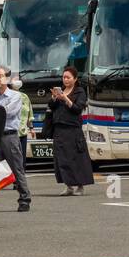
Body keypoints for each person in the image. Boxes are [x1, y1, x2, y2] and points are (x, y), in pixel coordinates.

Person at [0, 69, 31, 211]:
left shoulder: (16, 96)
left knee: (17, 168)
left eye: (1, 76)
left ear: (8, 79)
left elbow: (6, 113)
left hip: (9, 136)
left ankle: (24, 199)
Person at [48, 66, 94, 195]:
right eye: (64, 77)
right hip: (59, 129)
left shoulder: (79, 92)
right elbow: (51, 106)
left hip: (73, 129)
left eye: (68, 77)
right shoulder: (60, 90)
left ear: (75, 79)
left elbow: (77, 108)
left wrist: (65, 99)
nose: (66, 80)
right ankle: (68, 186)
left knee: (76, 158)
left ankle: (80, 186)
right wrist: (54, 97)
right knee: (61, 158)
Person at [14, 76, 34, 165]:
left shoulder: (25, 97)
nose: (17, 82)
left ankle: (21, 177)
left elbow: (29, 113)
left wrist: (31, 128)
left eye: (18, 79)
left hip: (23, 132)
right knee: (14, 159)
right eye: (15, 80)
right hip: (12, 134)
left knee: (22, 160)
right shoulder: (7, 95)